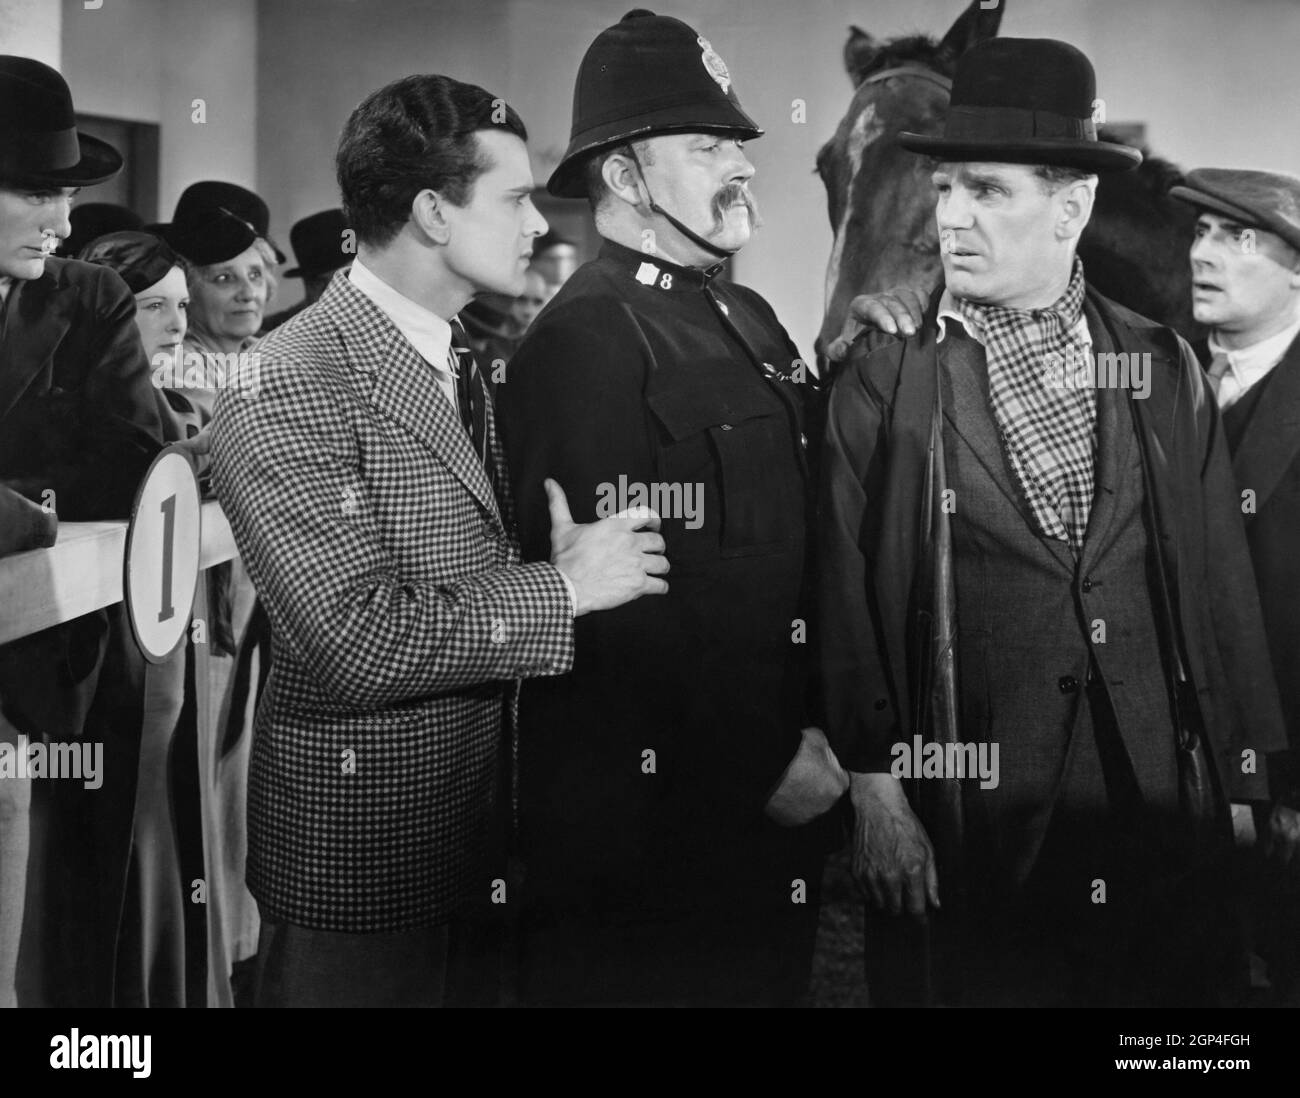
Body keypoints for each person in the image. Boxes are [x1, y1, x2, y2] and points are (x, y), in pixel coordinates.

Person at [818, 37, 1289, 1007]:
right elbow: (840, 596)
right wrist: (873, 788)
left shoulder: (1160, 367)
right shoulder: (886, 373)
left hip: (1152, 812)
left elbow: (1218, 579)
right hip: (977, 825)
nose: (949, 218)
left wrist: (1243, 774)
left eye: (985, 192)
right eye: (944, 189)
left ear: (1070, 206)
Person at [209, 71, 667, 1008]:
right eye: (514, 201)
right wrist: (565, 589)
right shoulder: (288, 378)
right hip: (366, 862)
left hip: (477, 838)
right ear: (431, 212)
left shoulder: (458, 350)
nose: (539, 225)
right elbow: (351, 640)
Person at [500, 10, 846, 1007]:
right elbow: (607, 614)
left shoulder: (747, 315)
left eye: (737, 142)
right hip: (655, 832)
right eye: (704, 147)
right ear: (622, 175)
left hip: (779, 798)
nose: (739, 166)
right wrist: (759, 767)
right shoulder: (584, 340)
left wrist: (820, 730)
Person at [0, 55, 167, 1006]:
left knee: (44, 939)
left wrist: (23, 504)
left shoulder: (87, 296)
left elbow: (126, 465)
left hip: (49, 667)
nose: (64, 224)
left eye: (69, 196)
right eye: (34, 192)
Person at [1167, 168, 1300, 1001]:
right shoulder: (1163, 382)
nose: (1206, 254)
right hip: (1187, 785)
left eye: (1240, 238)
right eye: (1202, 233)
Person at [157, 181, 280, 425]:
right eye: (224, 278)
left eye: (255, 275)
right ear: (186, 291)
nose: (248, 294)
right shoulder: (175, 363)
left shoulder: (272, 353)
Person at [262, 207, 352, 331]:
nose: (332, 296)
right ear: (306, 284)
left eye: (345, 280)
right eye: (318, 283)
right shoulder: (271, 332)